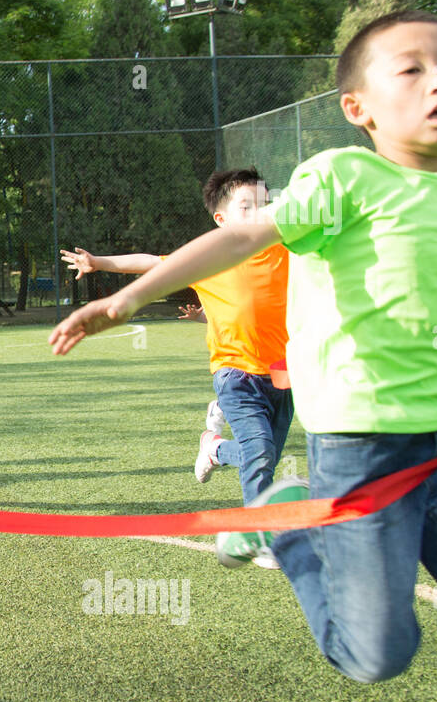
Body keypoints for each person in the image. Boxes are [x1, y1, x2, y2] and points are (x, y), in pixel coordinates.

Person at [51, 11, 437, 702]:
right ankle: (281, 518)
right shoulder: (341, 179)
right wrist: (125, 299)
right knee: (375, 657)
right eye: (411, 70)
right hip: (364, 453)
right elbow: (241, 237)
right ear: (358, 107)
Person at [61, 169, 293, 571]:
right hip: (234, 374)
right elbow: (152, 263)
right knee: (260, 451)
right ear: (221, 220)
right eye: (247, 206)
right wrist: (98, 262)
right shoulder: (213, 258)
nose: (260, 212)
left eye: (265, 203)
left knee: (266, 455)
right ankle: (259, 533)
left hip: (283, 373)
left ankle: (215, 449)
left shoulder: (289, 249)